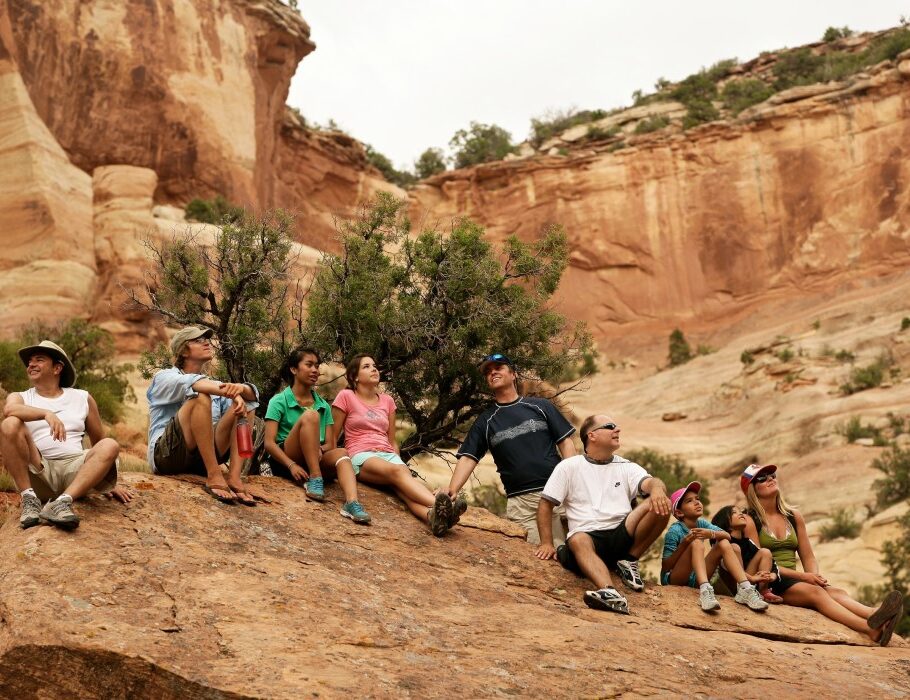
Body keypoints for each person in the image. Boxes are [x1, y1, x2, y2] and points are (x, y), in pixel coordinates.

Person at [742, 463, 905, 646]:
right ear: (752, 489)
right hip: (769, 582)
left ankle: (875, 613)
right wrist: (805, 577)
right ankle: (871, 629)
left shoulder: (793, 516)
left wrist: (815, 576)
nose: (770, 478)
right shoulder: (750, 521)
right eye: (762, 478)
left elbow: (808, 556)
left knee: (835, 591)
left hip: (793, 581)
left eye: (772, 474)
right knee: (817, 594)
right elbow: (760, 561)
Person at [535, 414, 670, 615]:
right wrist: (546, 543)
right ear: (593, 435)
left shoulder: (626, 466)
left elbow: (651, 483)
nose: (617, 430)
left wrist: (657, 489)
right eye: (610, 426)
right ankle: (610, 592)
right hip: (586, 539)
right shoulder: (569, 466)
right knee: (578, 538)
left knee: (660, 503)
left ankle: (628, 560)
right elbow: (546, 504)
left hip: (621, 534)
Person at [447, 353, 576, 546]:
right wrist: (452, 490)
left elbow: (566, 443)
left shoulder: (540, 406)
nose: (493, 373)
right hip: (521, 503)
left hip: (556, 492)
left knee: (572, 550)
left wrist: (572, 482)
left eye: (498, 368)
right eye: (488, 372)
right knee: (541, 558)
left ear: (513, 374)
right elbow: (468, 457)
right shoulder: (487, 421)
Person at [1, 340, 131, 530]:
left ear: (57, 368)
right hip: (39, 470)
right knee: (10, 423)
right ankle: (29, 499)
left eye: (39, 360)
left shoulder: (82, 398)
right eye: (29, 362)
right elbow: (10, 409)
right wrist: (46, 413)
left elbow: (99, 442)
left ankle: (62, 503)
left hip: (75, 472)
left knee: (110, 444)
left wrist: (108, 481)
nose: (31, 365)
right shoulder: (20, 397)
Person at [331, 354, 454, 536]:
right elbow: (333, 436)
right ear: (354, 376)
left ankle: (432, 517)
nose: (374, 369)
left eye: (374, 365)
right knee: (398, 474)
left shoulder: (387, 401)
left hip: (388, 456)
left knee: (402, 486)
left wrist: (398, 461)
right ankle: (441, 505)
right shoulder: (346, 396)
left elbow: (392, 440)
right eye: (366, 366)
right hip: (361, 454)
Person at [146, 326, 260, 506]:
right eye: (198, 340)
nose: (206, 342)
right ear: (183, 350)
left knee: (247, 403)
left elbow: (253, 397)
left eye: (206, 339)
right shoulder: (164, 377)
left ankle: (234, 477)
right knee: (200, 397)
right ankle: (214, 474)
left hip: (202, 459)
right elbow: (194, 384)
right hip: (168, 456)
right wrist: (233, 393)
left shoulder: (213, 385)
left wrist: (241, 391)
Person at [264, 347, 371, 524]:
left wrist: (319, 449)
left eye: (317, 365)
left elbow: (330, 444)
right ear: (294, 369)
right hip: (289, 459)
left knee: (342, 453)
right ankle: (315, 477)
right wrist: (291, 465)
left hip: (315, 457)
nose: (315, 370)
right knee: (310, 415)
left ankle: (352, 503)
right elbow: (269, 443)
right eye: (309, 365)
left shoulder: (323, 405)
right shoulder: (279, 401)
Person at [661, 482, 769, 612]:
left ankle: (745, 588)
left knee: (723, 542)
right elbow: (666, 566)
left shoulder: (701, 523)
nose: (696, 503)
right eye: (689, 501)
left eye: (698, 499)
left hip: (695, 579)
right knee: (696, 543)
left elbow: (727, 536)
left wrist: (711, 533)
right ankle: (705, 590)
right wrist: (685, 544)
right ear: (679, 512)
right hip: (675, 579)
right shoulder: (675, 531)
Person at [711, 504, 782, 603]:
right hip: (730, 585)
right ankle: (744, 591)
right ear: (725, 523)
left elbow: (773, 562)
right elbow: (729, 567)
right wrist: (752, 578)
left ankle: (763, 591)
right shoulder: (723, 542)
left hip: (748, 582)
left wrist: (772, 575)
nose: (740, 513)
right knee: (735, 549)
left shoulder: (747, 542)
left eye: (740, 511)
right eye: (734, 513)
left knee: (765, 552)